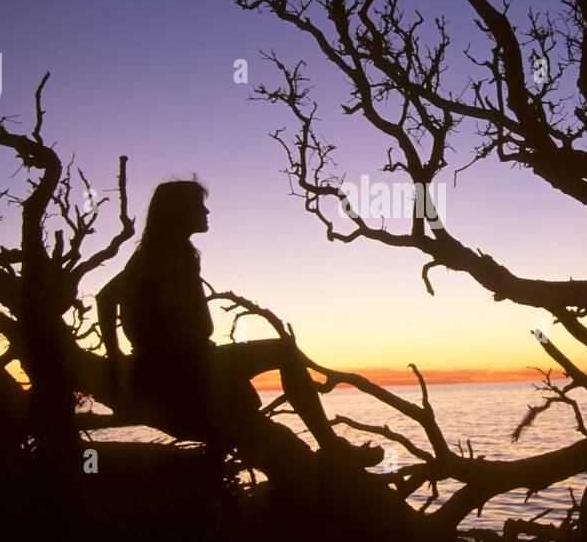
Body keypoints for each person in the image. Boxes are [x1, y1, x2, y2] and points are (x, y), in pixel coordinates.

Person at [96, 179, 383, 469]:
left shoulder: (160, 253)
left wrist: (116, 355)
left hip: (190, 362)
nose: (206, 211)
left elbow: (106, 298)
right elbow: (108, 299)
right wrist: (117, 358)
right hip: (185, 369)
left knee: (279, 356)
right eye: (199, 205)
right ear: (179, 212)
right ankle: (332, 448)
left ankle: (323, 447)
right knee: (284, 351)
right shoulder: (163, 257)